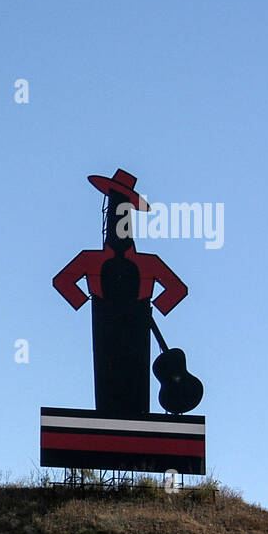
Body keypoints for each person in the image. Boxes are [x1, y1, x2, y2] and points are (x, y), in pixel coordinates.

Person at [52, 169, 187, 416]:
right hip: (104, 322)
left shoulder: (149, 263)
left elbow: (177, 289)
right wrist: (84, 300)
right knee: (108, 378)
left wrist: (152, 306)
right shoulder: (91, 259)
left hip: (137, 325)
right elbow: (63, 281)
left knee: (136, 381)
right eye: (115, 212)